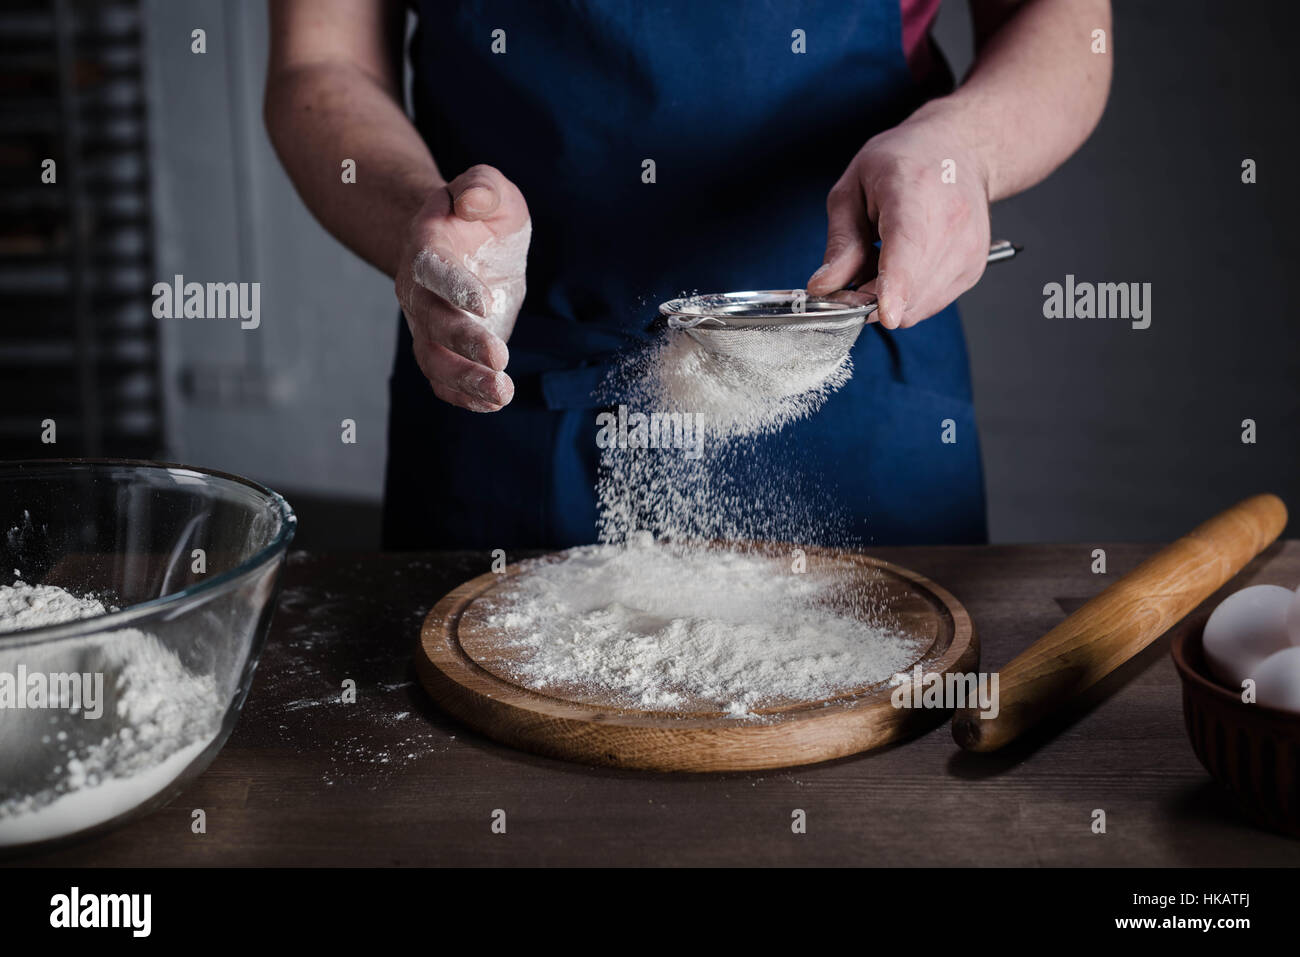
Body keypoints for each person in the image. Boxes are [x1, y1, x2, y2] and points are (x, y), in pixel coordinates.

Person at [265, 0, 1111, 549]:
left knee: (882, 792)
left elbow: (1068, 26)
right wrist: (425, 220)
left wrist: (962, 149)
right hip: (508, 388)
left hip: (846, 364)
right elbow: (323, 59)